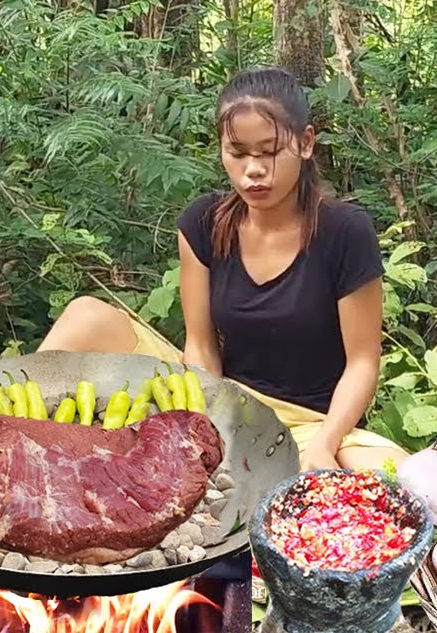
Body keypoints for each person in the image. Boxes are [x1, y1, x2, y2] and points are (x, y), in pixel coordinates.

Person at [37, 65, 406, 472]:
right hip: (219, 395)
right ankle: (15, 441)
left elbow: (363, 362)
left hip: (305, 423)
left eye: (269, 151)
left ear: (305, 144)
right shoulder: (204, 223)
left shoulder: (345, 232)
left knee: (402, 473)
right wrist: (205, 420)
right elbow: (201, 346)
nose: (253, 169)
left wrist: (325, 444)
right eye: (238, 152)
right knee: (86, 317)